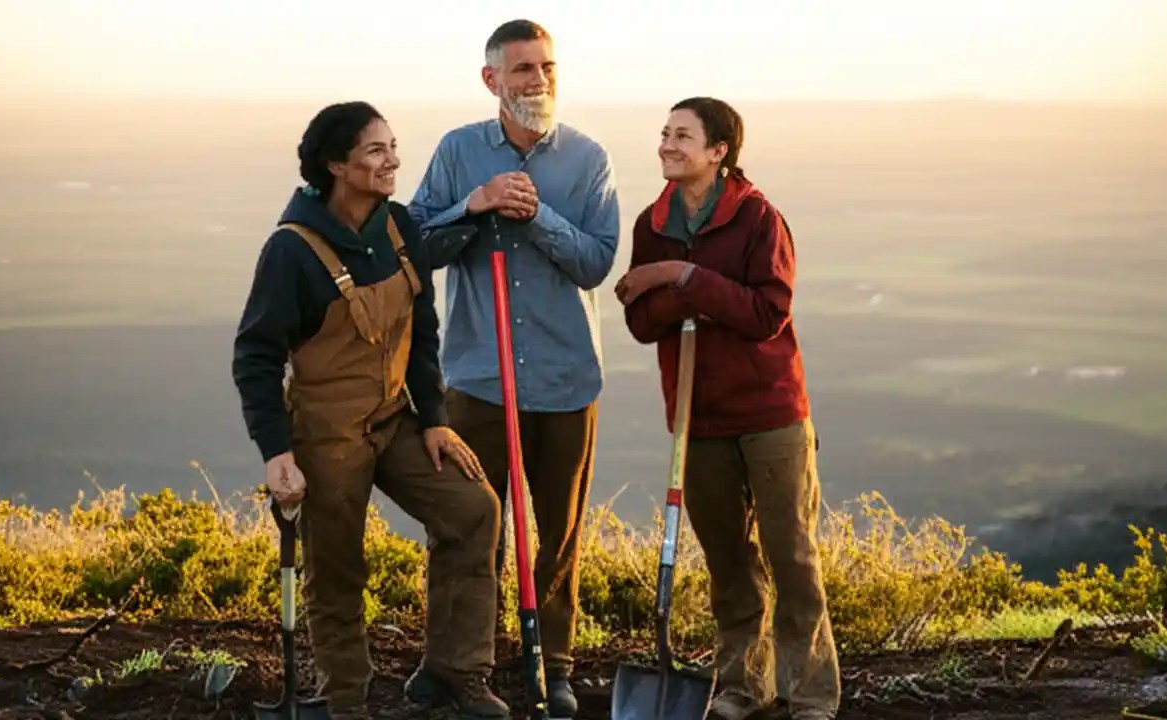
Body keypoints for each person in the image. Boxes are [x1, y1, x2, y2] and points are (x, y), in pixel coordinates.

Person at [231, 101, 510, 720]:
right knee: (338, 570)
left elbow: (423, 330)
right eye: (376, 151)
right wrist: (278, 453)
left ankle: (454, 671)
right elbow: (255, 355)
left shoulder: (398, 227)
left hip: (396, 418)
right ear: (336, 165)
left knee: (473, 509)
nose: (393, 161)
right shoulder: (292, 251)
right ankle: (345, 702)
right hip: (325, 435)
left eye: (392, 146)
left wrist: (434, 418)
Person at [406, 18, 620, 718]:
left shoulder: (588, 160)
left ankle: (549, 667)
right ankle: (455, 667)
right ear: (491, 80)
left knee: (556, 532)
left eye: (548, 68)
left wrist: (537, 218)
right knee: (468, 523)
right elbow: (415, 245)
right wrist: (476, 204)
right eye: (524, 69)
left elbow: (595, 261)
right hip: (477, 380)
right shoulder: (458, 151)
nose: (539, 81)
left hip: (565, 380)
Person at [615, 97, 841, 720]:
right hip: (698, 418)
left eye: (682, 136)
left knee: (791, 556)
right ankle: (744, 686)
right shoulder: (650, 223)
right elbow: (638, 318)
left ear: (719, 152)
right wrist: (679, 291)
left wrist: (681, 277)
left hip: (770, 415)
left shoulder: (759, 219)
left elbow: (766, 314)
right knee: (729, 563)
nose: (667, 143)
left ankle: (813, 694)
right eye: (664, 132)